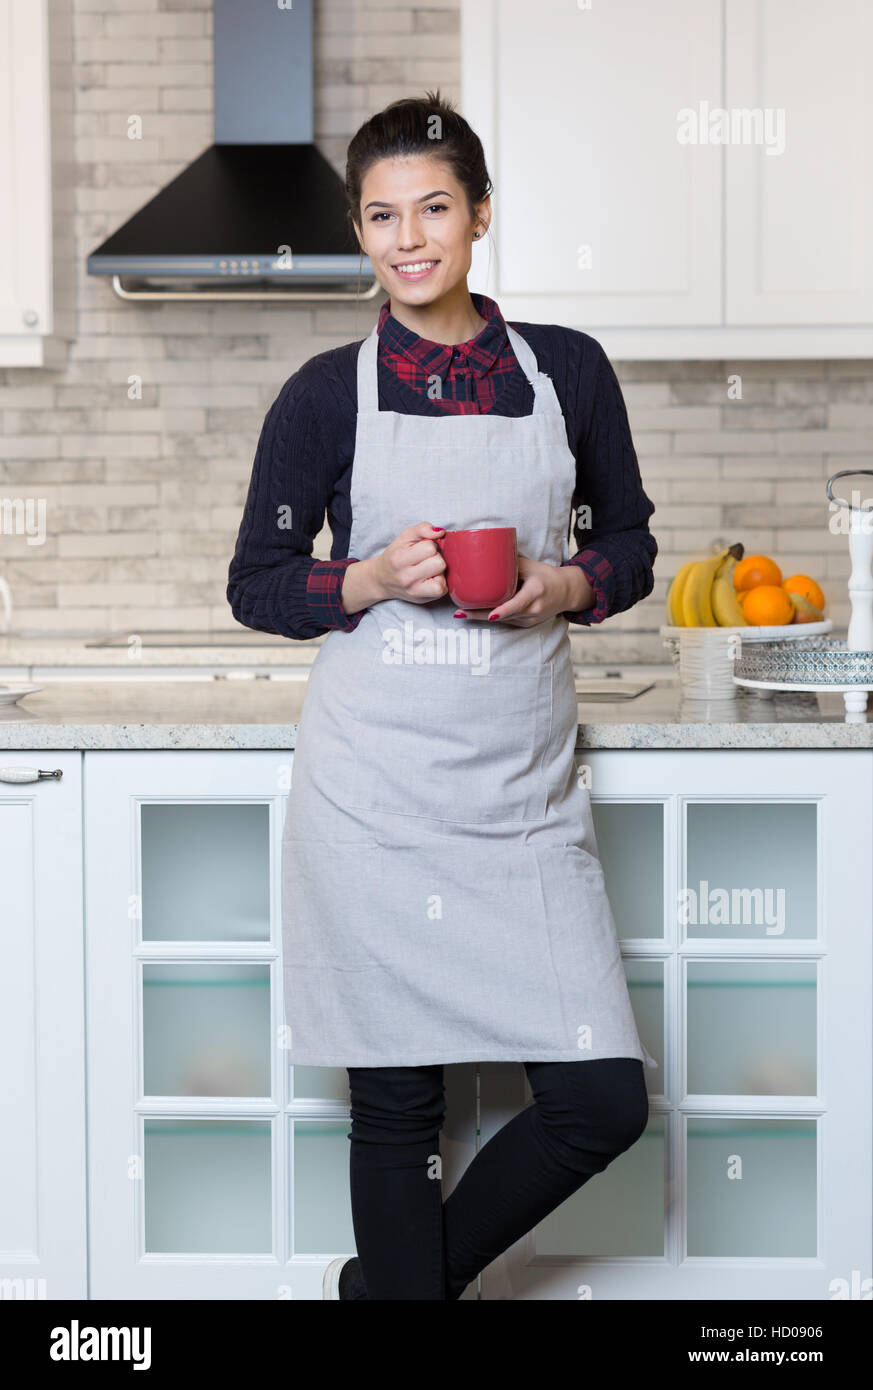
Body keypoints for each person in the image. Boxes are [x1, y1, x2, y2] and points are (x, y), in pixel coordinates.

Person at [227, 90, 659, 1301]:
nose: (409, 237)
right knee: (399, 1107)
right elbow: (255, 583)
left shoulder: (567, 370)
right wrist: (359, 576)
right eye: (380, 216)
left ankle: (382, 1295)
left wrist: (563, 582)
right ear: (360, 234)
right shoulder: (324, 393)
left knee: (599, 1098)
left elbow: (630, 543)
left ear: (478, 214)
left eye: (433, 207)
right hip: (373, 799)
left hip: (520, 806)